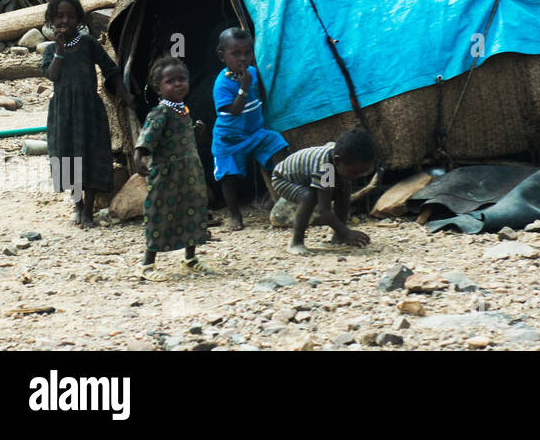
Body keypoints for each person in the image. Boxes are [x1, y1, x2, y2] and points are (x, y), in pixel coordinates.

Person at [42, 0, 134, 228]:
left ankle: (89, 211)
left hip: (89, 109)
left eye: (71, 16)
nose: (65, 21)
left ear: (79, 19)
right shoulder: (51, 49)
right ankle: (78, 205)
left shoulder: (88, 44)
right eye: (60, 16)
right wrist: (60, 50)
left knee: (91, 155)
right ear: (52, 20)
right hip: (63, 113)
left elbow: (110, 69)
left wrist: (124, 94)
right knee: (67, 156)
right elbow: (52, 75)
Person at [134, 57, 210, 277]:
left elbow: (179, 138)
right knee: (160, 214)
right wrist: (139, 157)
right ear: (159, 87)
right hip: (166, 175)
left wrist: (196, 132)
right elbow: (147, 137)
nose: (178, 84)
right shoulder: (161, 112)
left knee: (193, 212)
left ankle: (190, 259)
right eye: (171, 81)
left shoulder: (183, 110)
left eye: (182, 79)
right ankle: (147, 265)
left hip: (189, 174)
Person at [211, 28, 289, 230]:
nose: (243, 59)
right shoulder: (222, 84)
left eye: (248, 53)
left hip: (255, 133)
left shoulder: (253, 73)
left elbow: (261, 94)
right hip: (229, 139)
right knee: (228, 177)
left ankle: (284, 195)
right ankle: (235, 215)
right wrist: (244, 87)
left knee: (277, 144)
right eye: (236, 54)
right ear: (222, 56)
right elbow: (235, 110)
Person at [272, 128, 376, 255]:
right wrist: (347, 232)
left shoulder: (339, 155)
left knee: (345, 185)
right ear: (337, 160)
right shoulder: (325, 168)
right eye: (353, 172)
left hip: (311, 175)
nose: (356, 177)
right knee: (309, 197)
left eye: (362, 173)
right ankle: (296, 242)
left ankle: (338, 236)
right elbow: (324, 211)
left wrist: (343, 232)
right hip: (282, 179)